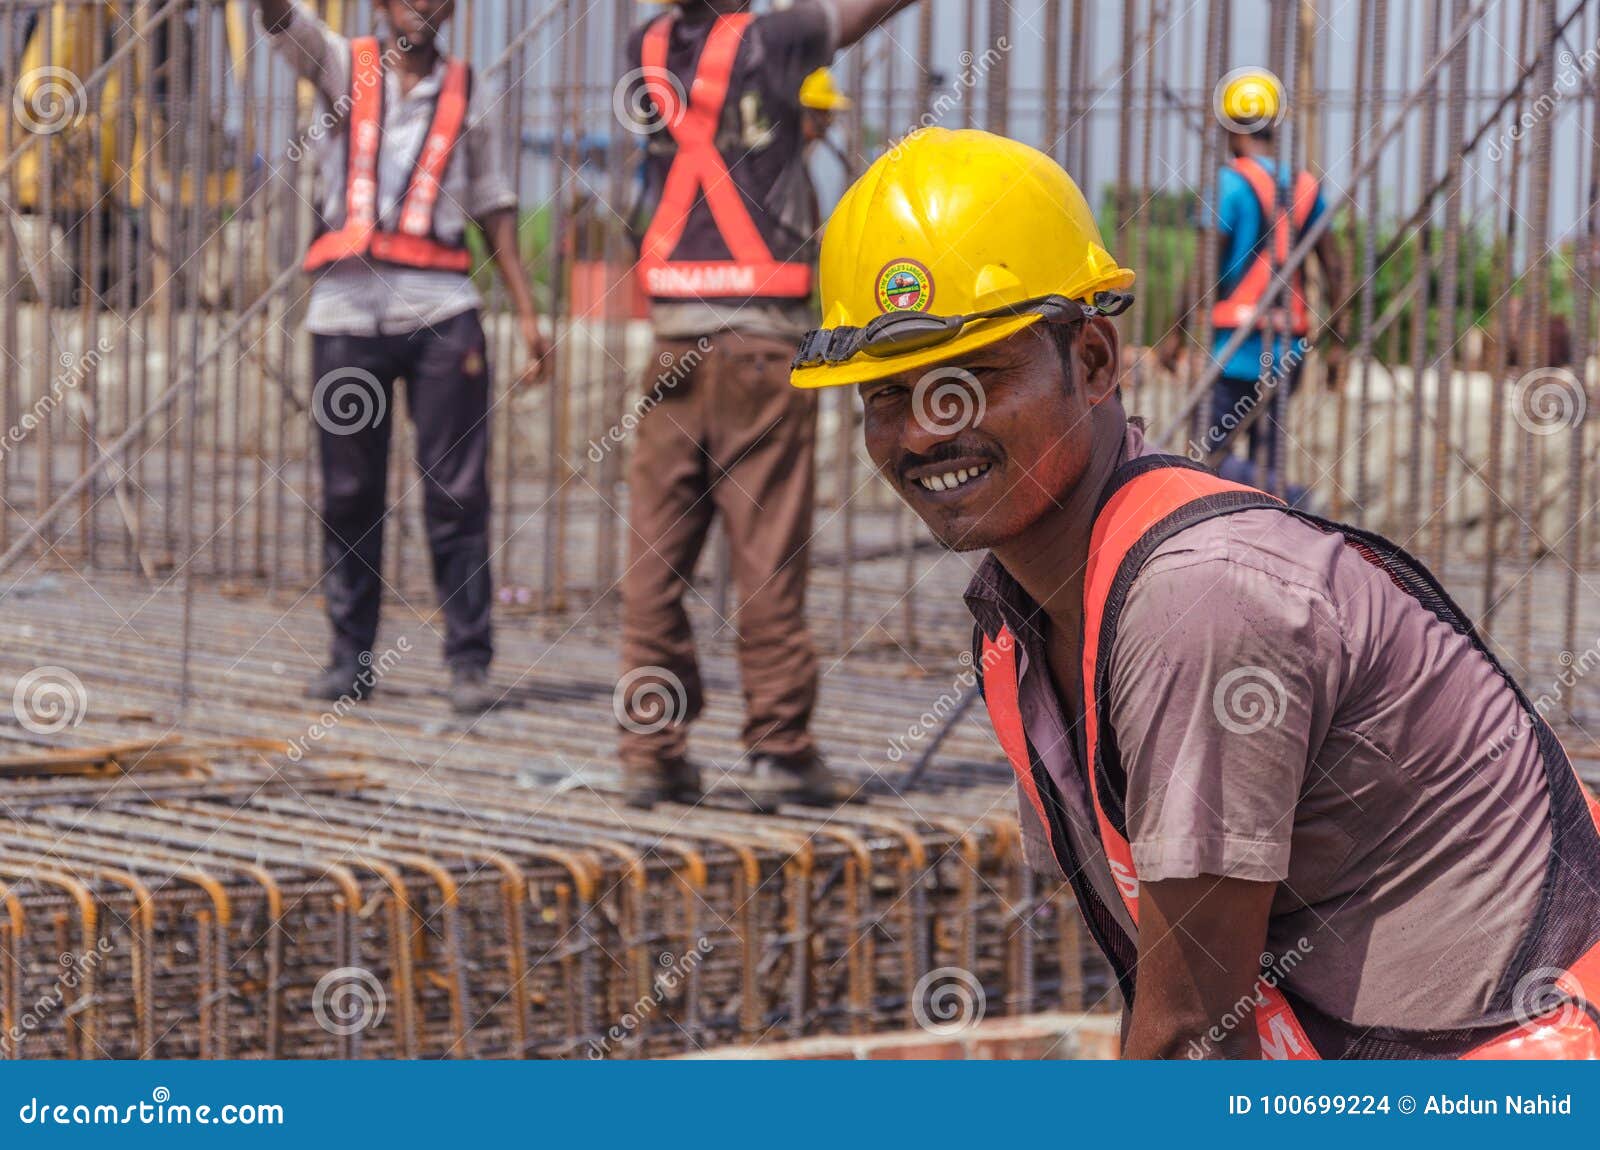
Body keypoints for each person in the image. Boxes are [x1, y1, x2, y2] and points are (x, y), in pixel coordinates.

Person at [791, 127, 1600, 1059]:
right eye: (886, 396)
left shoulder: (1198, 598)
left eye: (973, 378)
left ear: (1094, 361)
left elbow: (1188, 1037)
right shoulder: (1014, 626)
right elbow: (1162, 985)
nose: (927, 430)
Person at [617, 0, 918, 809]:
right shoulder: (774, 38)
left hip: (673, 339)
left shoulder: (643, 46)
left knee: (655, 557)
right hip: (760, 342)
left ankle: (650, 748)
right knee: (768, 556)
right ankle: (780, 749)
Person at [253, 0, 548, 714]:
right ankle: (350, 656)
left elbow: (496, 207)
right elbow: (278, 22)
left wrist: (530, 315)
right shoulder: (339, 65)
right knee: (350, 492)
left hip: (443, 311)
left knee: (457, 492)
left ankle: (469, 661)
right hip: (347, 313)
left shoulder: (472, 90)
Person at [1203, 70, 1344, 497]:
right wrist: (1338, 343)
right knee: (1268, 452)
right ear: (1276, 124)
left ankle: (1291, 497)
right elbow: (1335, 267)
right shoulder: (1305, 185)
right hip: (1289, 345)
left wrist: (1173, 331)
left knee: (1207, 456)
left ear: (1228, 127)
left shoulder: (1228, 183)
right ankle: (1272, 506)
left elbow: (1204, 267)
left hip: (1234, 342)